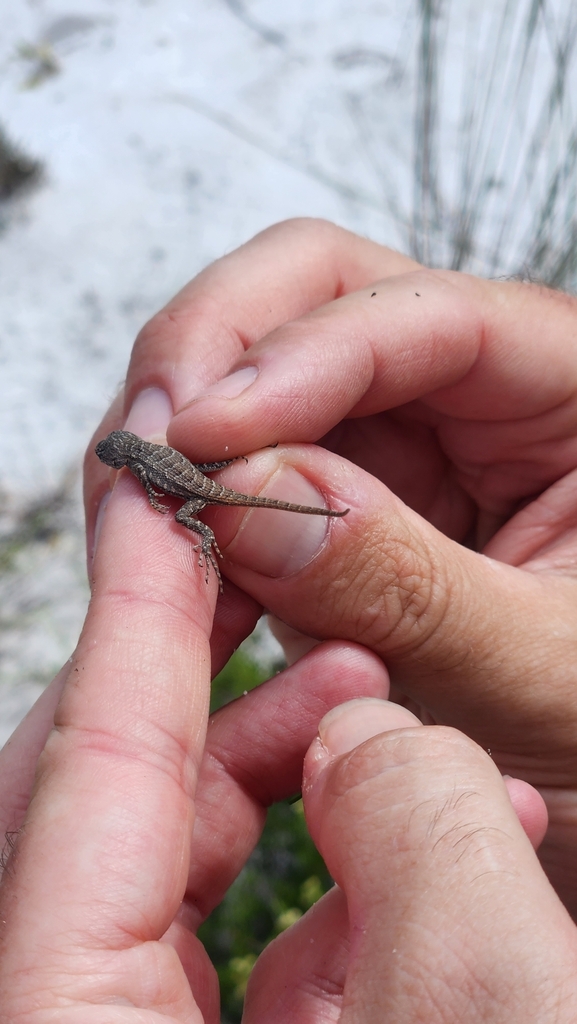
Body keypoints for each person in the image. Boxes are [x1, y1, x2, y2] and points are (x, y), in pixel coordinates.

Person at [2, 217, 577, 1020]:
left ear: (124, 453)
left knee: (200, 521)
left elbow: (176, 486)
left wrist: (204, 530)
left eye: (116, 454)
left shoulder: (146, 477)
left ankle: (225, 534)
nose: (115, 458)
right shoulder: (140, 466)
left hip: (206, 490)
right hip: (204, 480)